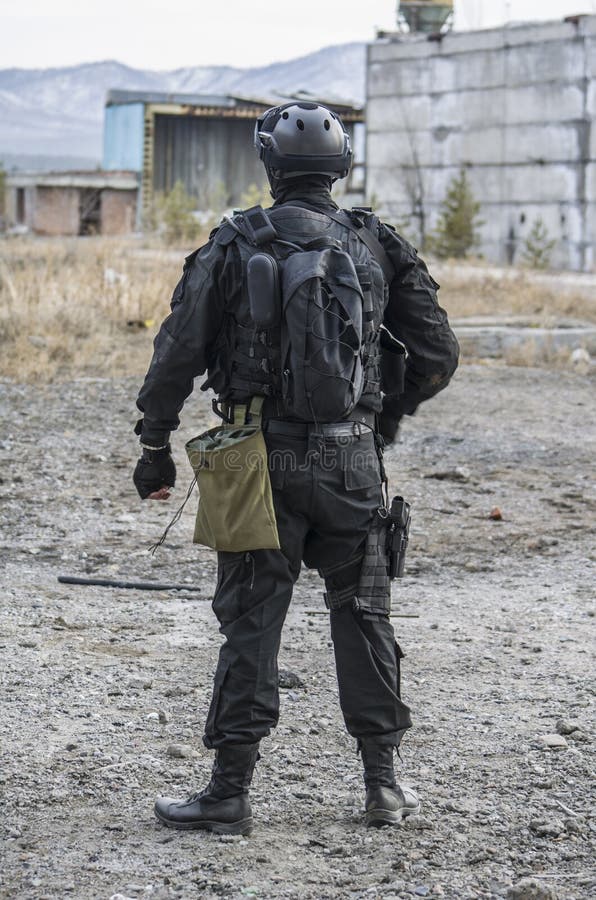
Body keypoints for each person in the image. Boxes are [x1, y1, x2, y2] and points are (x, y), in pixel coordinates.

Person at [133, 102, 459, 834]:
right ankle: (384, 787)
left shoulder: (234, 240)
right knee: (365, 615)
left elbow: (176, 355)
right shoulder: (377, 244)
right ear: (341, 169)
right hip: (353, 464)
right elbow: (438, 355)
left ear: (270, 167)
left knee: (251, 621)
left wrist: (154, 446)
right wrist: (381, 416)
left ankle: (229, 792)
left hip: (256, 461)